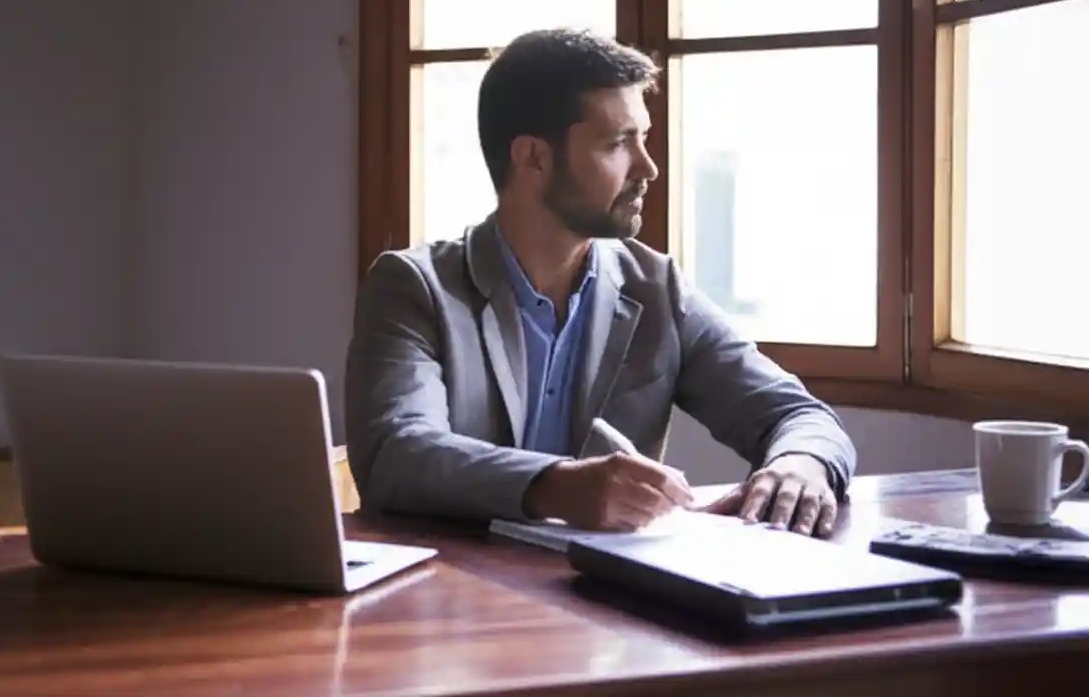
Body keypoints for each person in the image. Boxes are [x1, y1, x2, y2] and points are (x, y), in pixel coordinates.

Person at [345, 28, 855, 537]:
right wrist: (557, 486)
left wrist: (802, 463)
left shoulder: (657, 290)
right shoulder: (415, 288)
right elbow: (397, 452)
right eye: (618, 144)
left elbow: (798, 415)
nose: (648, 167)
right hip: (451, 601)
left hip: (606, 599)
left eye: (644, 138)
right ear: (534, 158)